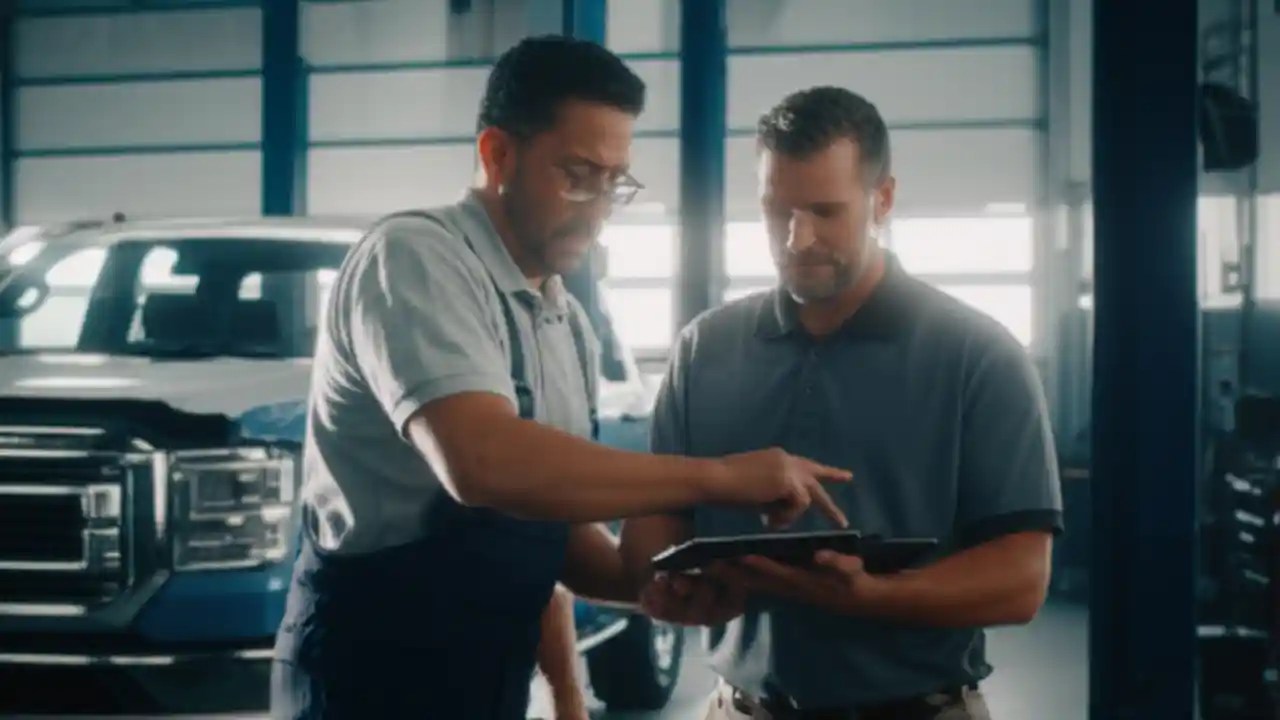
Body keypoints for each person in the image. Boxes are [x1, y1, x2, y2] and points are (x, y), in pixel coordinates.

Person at [270, 38, 851, 720]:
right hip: (364, 681)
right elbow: (482, 463)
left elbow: (552, 539)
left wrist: (651, 588)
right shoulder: (415, 258)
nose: (599, 205)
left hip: (485, 685)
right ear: (497, 155)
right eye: (578, 174)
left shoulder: (563, 321)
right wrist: (720, 477)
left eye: (616, 181)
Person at [621, 86, 1064, 720]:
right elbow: (652, 537)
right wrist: (673, 591)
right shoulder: (703, 352)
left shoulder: (977, 356)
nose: (798, 238)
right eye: (779, 211)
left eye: (826, 211)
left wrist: (867, 595)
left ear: (882, 199)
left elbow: (1022, 581)